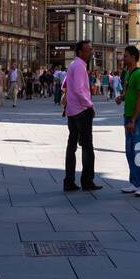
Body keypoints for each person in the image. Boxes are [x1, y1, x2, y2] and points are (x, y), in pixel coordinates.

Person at [62, 41, 100, 192]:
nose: (90, 52)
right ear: (80, 52)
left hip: (72, 110)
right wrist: (89, 104)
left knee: (71, 146)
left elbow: (65, 85)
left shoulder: (74, 65)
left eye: (91, 49)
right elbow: (78, 90)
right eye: (88, 50)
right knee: (87, 146)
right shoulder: (79, 66)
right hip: (81, 111)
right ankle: (87, 181)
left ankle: (69, 181)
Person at [117, 45, 140, 196]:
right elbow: (129, 93)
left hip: (137, 118)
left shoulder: (139, 74)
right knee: (129, 150)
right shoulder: (128, 74)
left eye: (126, 56)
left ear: (133, 57)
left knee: (138, 150)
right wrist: (121, 98)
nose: (123, 58)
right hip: (128, 116)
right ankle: (134, 182)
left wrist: (134, 119)